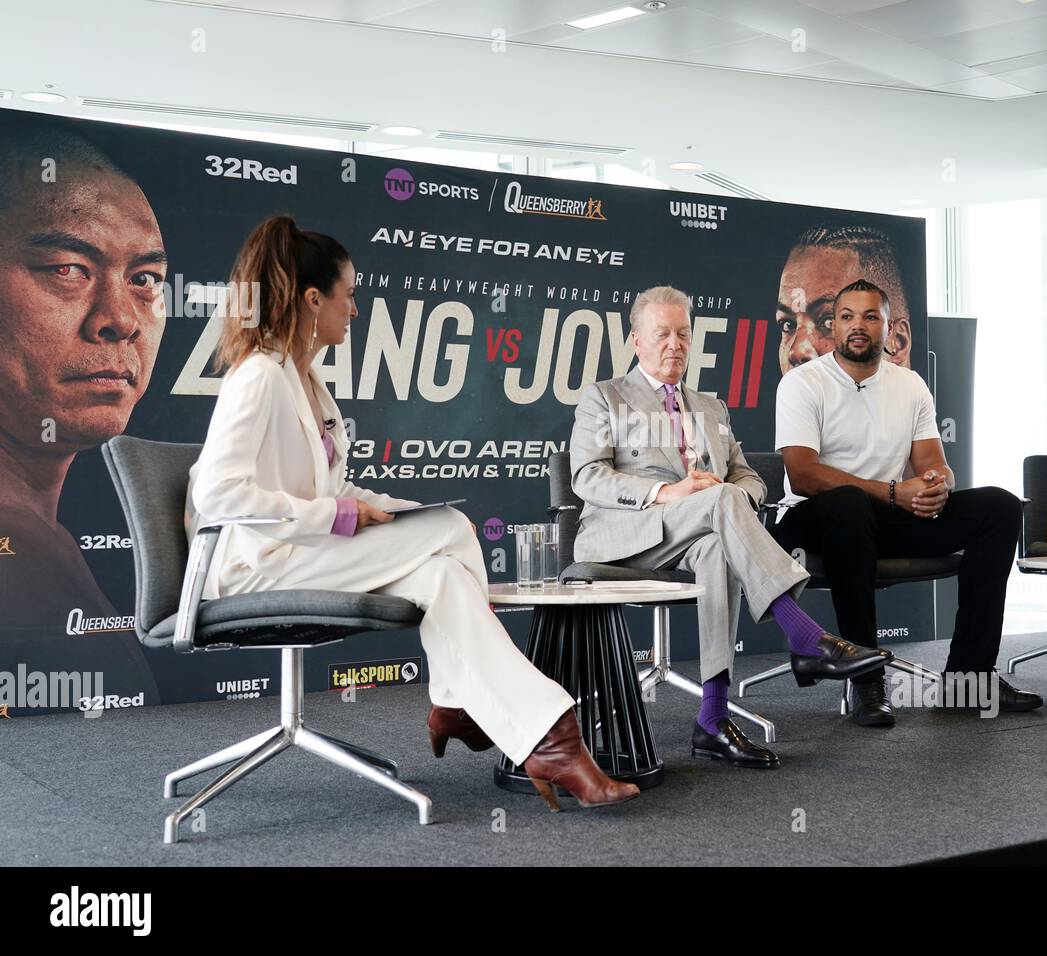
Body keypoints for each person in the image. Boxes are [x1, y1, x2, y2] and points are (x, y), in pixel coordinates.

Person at [186, 215, 637, 811]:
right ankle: (469, 705)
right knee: (451, 531)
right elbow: (219, 496)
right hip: (252, 568)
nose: (355, 309)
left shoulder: (307, 382)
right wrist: (336, 515)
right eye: (348, 296)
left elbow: (335, 485)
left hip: (301, 553)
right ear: (313, 299)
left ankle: (541, 739)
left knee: (442, 573)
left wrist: (381, 507)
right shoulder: (260, 378)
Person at [569, 285, 890, 768]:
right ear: (636, 340)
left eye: (683, 333)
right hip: (625, 536)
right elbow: (585, 475)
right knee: (719, 503)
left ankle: (712, 718)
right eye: (662, 334)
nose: (674, 344)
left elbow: (749, 476)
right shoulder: (605, 398)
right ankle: (805, 637)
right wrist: (666, 493)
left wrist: (736, 497)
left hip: (696, 534)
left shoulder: (711, 409)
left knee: (720, 539)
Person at [774, 279, 1042, 727]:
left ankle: (968, 680)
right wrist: (895, 492)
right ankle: (867, 681)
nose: (858, 326)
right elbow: (803, 476)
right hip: (815, 519)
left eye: (870, 317)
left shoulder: (910, 384)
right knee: (848, 505)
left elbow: (934, 464)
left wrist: (936, 485)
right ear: (833, 327)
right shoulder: (804, 383)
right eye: (846, 317)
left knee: (998, 506)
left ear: (891, 327)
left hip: (887, 518)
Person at [0, 114, 167, 630]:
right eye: (67, 269)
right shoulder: (19, 545)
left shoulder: (42, 533)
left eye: (144, 278)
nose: (119, 319)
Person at [774, 223, 915, 375]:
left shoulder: (918, 394)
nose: (796, 352)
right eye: (788, 325)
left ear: (898, 342)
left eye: (829, 322)